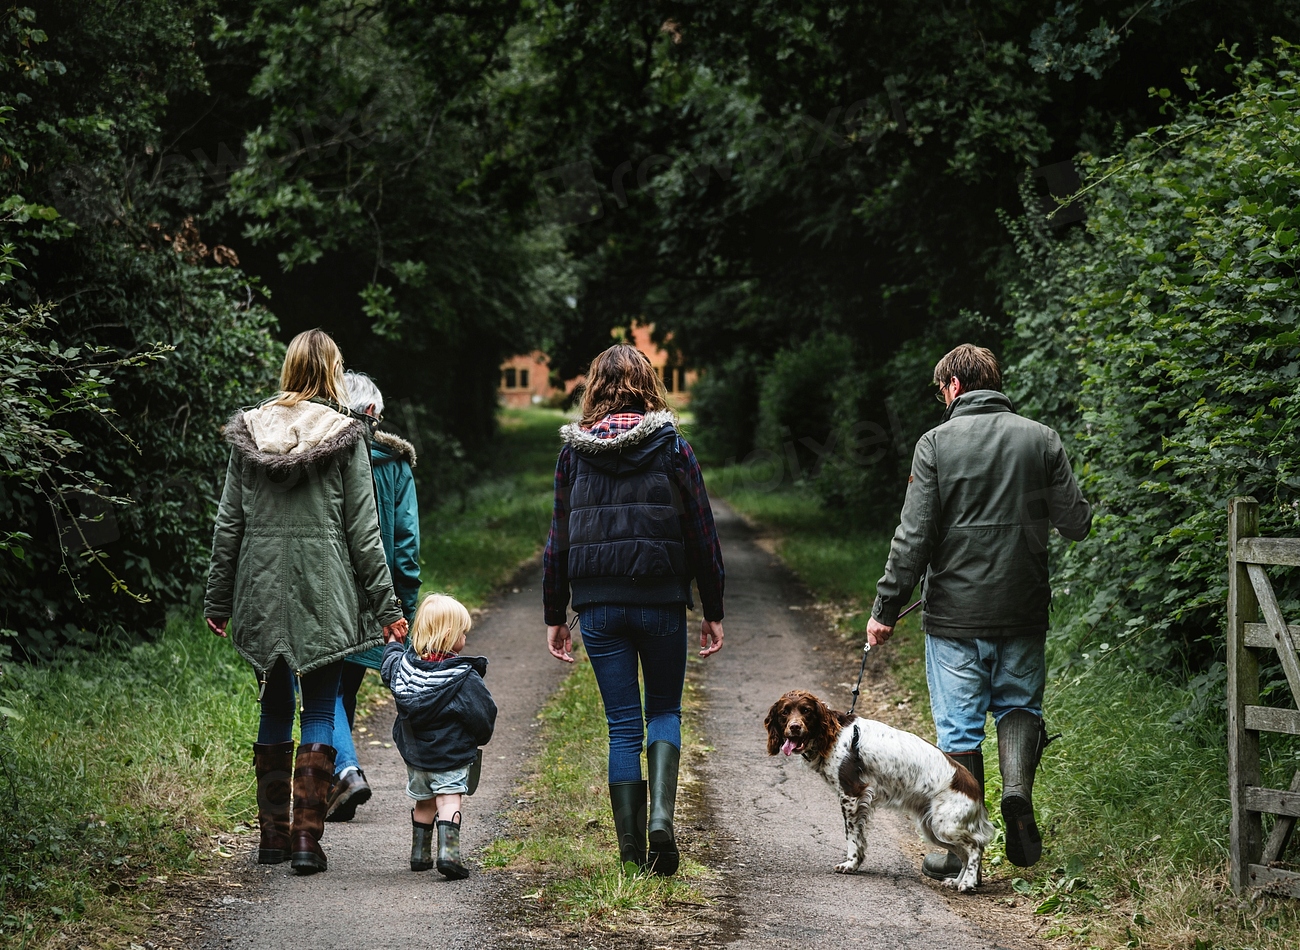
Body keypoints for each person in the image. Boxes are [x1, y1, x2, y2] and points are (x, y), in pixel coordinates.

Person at [865, 344, 1091, 881]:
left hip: (954, 617)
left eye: (940, 391)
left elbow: (913, 537)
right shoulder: (1042, 439)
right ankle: (1016, 794)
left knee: (959, 729)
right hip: (1023, 608)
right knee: (1018, 706)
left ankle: (958, 848)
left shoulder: (936, 444)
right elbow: (1076, 522)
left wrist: (885, 608)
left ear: (953, 387)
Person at [203, 329, 408, 876]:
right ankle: (304, 842)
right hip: (325, 591)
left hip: (261, 590)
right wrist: (388, 609)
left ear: (289, 368)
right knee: (318, 707)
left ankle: (271, 839)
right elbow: (364, 533)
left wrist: (217, 598)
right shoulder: (346, 435)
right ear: (332, 375)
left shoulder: (251, 432)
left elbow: (229, 524)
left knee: (273, 704)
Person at [543, 343, 726, 876]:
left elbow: (558, 541)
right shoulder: (673, 447)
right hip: (662, 599)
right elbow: (702, 533)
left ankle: (630, 856)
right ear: (648, 386)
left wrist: (556, 614)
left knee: (622, 725)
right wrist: (712, 607)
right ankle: (661, 822)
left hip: (598, 606)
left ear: (594, 388)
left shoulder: (573, 454)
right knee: (663, 711)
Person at [325, 371, 421, 823]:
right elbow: (405, 546)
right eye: (377, 415)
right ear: (368, 413)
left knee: (326, 693)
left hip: (328, 592)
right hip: (377, 598)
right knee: (343, 689)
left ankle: (343, 771)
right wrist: (404, 607)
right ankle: (341, 776)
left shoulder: (322, 457)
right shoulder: (395, 464)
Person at [382, 593, 496, 880]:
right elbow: (483, 714)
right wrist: (479, 737)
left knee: (424, 802)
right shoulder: (462, 677)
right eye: (463, 633)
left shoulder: (405, 670)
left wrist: (394, 644)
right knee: (448, 801)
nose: (465, 638)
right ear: (449, 636)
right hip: (451, 755)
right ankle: (449, 854)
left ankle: (420, 855)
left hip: (416, 758)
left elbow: (390, 665)